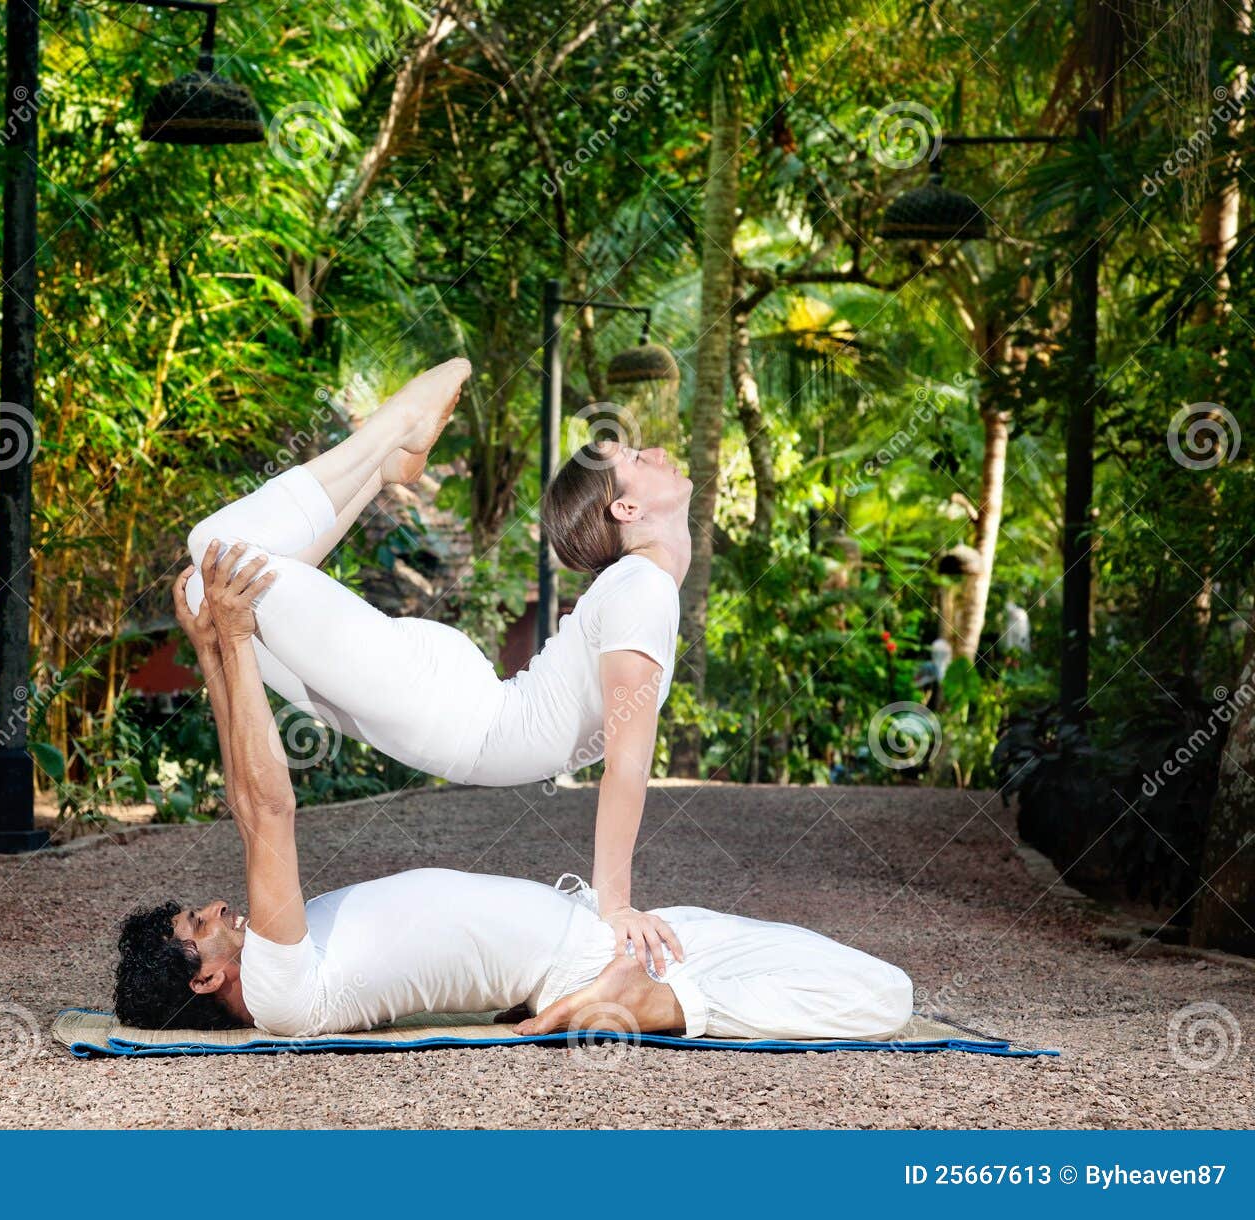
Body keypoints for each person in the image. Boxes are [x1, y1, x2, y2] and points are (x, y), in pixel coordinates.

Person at [111, 549, 914, 1043]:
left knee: (842, 980)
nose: (216, 909)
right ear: (207, 981)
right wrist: (240, 641)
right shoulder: (280, 990)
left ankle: (660, 994)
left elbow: (244, 796)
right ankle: (662, 1007)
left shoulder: (279, 968)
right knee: (884, 994)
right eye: (199, 925)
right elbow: (265, 810)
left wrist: (214, 646)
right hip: (590, 967)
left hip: (598, 942)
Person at [180, 358, 693, 968]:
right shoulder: (644, 587)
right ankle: (393, 428)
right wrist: (616, 909)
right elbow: (626, 771)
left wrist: (612, 909)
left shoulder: (642, 586)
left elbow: (626, 767)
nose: (658, 452)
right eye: (637, 460)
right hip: (446, 711)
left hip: (446, 710)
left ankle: (385, 468)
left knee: (206, 593)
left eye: (633, 456)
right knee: (215, 557)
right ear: (626, 513)